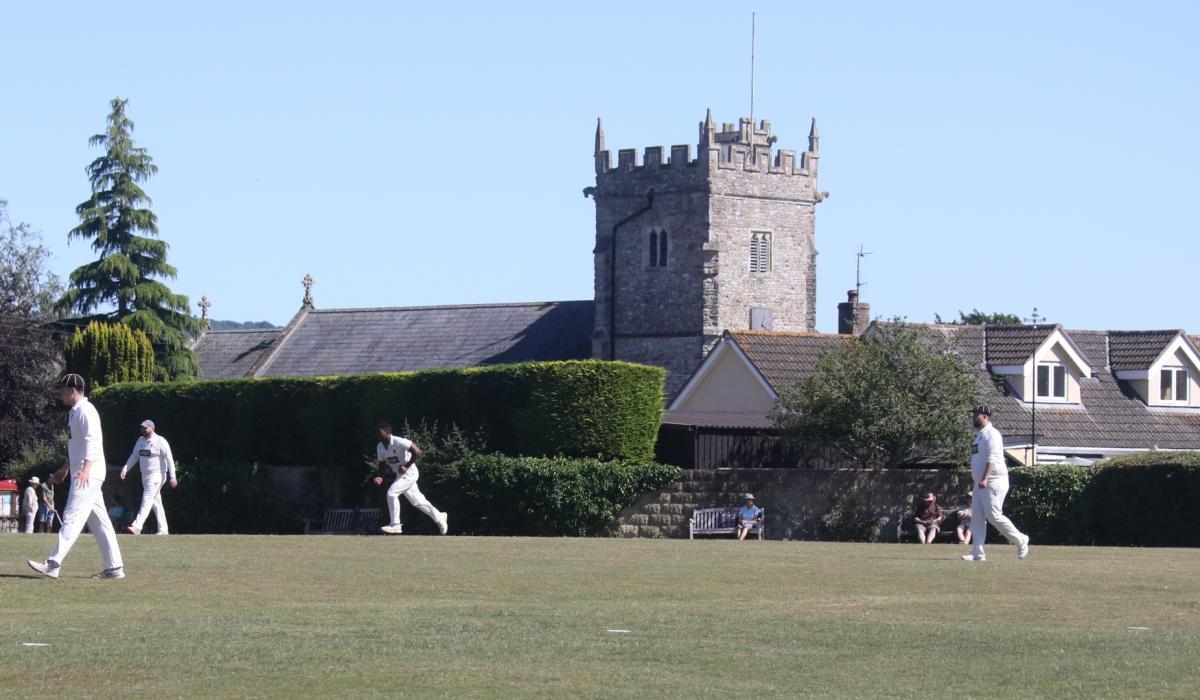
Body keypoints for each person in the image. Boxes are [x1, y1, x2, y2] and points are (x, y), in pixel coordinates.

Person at [27, 374, 125, 580]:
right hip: (83, 471)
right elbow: (77, 447)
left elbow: (93, 441)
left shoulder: (86, 411)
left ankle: (53, 564)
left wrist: (86, 469)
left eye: (62, 390)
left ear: (73, 390)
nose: (60, 393)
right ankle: (115, 568)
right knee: (100, 522)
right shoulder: (75, 412)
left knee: (71, 516)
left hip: (87, 474)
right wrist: (65, 469)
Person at [962, 405, 1030, 562]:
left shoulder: (993, 435)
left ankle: (1021, 539)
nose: (973, 418)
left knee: (994, 516)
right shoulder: (979, 436)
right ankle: (977, 552)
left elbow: (992, 458)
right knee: (977, 517)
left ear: (985, 416)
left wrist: (985, 478)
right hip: (980, 482)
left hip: (993, 480)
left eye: (976, 415)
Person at [373, 422, 448, 535]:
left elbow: (417, 452)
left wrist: (406, 466)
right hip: (400, 475)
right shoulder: (380, 446)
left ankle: (396, 525)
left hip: (410, 473)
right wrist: (380, 476)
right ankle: (439, 517)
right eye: (377, 433)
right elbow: (382, 464)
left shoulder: (399, 441)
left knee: (391, 493)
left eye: (380, 433)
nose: (378, 435)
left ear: (388, 432)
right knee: (417, 502)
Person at [120, 419, 177, 535]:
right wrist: (125, 468)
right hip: (145, 476)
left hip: (157, 475)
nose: (143, 429)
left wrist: (173, 476)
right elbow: (134, 456)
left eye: (146, 427)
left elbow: (169, 459)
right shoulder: (140, 441)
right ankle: (163, 529)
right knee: (156, 503)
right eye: (142, 427)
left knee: (147, 499)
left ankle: (137, 526)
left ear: (152, 428)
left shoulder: (160, 441)